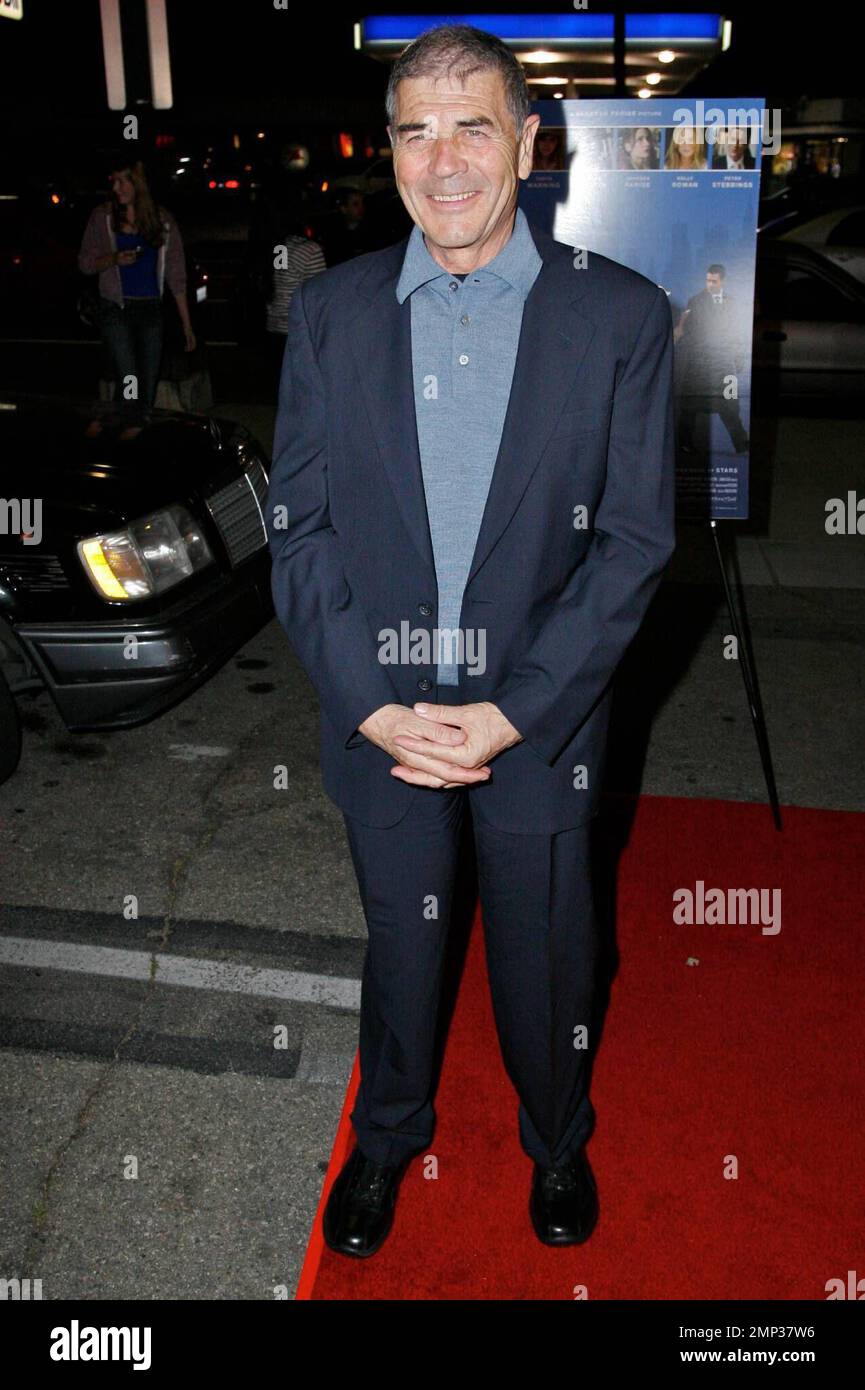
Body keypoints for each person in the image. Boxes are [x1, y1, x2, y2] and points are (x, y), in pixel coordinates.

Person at [266, 23, 676, 1258]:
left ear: (527, 144)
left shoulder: (618, 316)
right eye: (414, 129)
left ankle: (555, 1140)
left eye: (473, 125)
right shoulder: (332, 313)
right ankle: (386, 1135)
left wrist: (513, 712)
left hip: (539, 723)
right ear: (387, 147)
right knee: (403, 948)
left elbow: (637, 544)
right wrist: (371, 703)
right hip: (380, 713)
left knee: (552, 958)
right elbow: (301, 529)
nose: (442, 159)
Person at [78, 159, 195, 418]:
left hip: (150, 311)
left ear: (138, 184)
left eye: (122, 181)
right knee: (129, 379)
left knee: (147, 381)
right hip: (117, 309)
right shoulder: (103, 217)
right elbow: (85, 263)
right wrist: (114, 259)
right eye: (113, 182)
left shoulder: (162, 220)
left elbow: (177, 276)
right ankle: (118, 426)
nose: (116, 188)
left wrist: (187, 325)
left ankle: (122, 426)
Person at [675, 264, 750, 454]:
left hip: (725, 365)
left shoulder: (732, 303)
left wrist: (738, 359)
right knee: (690, 407)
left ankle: (742, 446)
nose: (710, 284)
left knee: (730, 406)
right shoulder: (696, 301)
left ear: (722, 281)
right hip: (700, 364)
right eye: (708, 280)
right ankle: (684, 444)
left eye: (714, 281)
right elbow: (689, 332)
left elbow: (738, 333)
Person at [263, 226, 326, 387]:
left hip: (275, 327)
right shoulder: (309, 250)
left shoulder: (278, 246)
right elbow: (319, 297)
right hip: (298, 332)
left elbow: (280, 280)